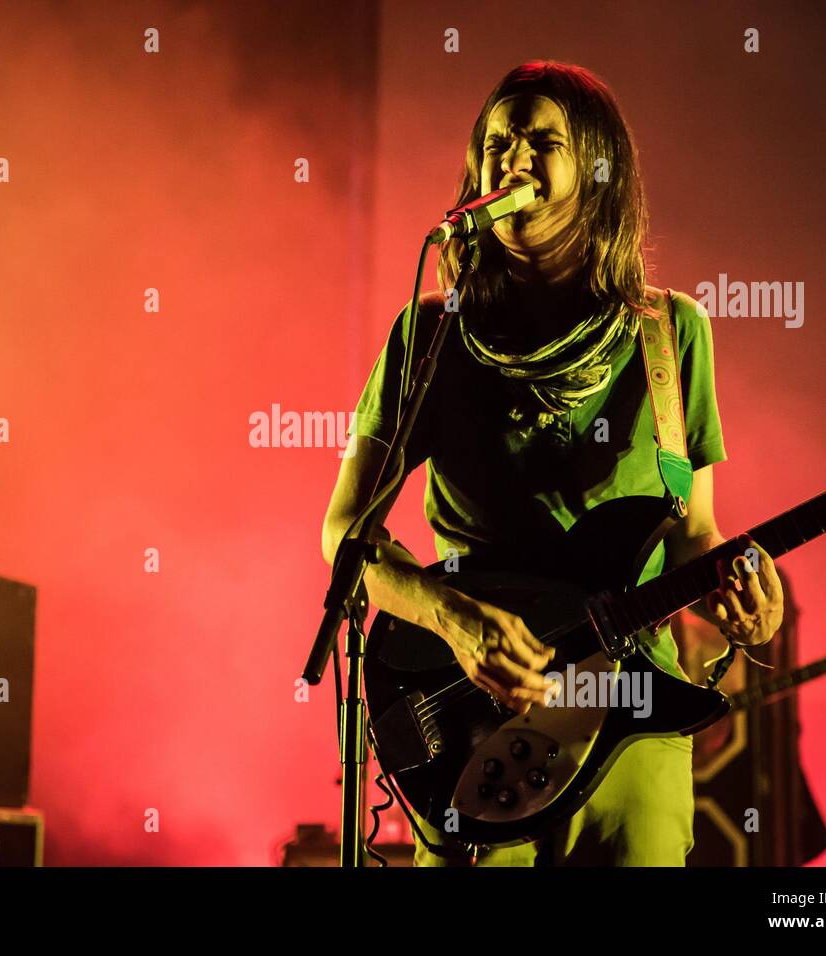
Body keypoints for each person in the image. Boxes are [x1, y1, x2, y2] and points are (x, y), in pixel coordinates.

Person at [320, 61, 784, 866]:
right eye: (498, 140)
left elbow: (693, 530)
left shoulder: (672, 335)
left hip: (627, 710)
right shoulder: (430, 335)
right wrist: (452, 619)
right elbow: (344, 537)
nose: (513, 156)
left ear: (599, 171)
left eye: (544, 140)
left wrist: (747, 601)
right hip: (475, 717)